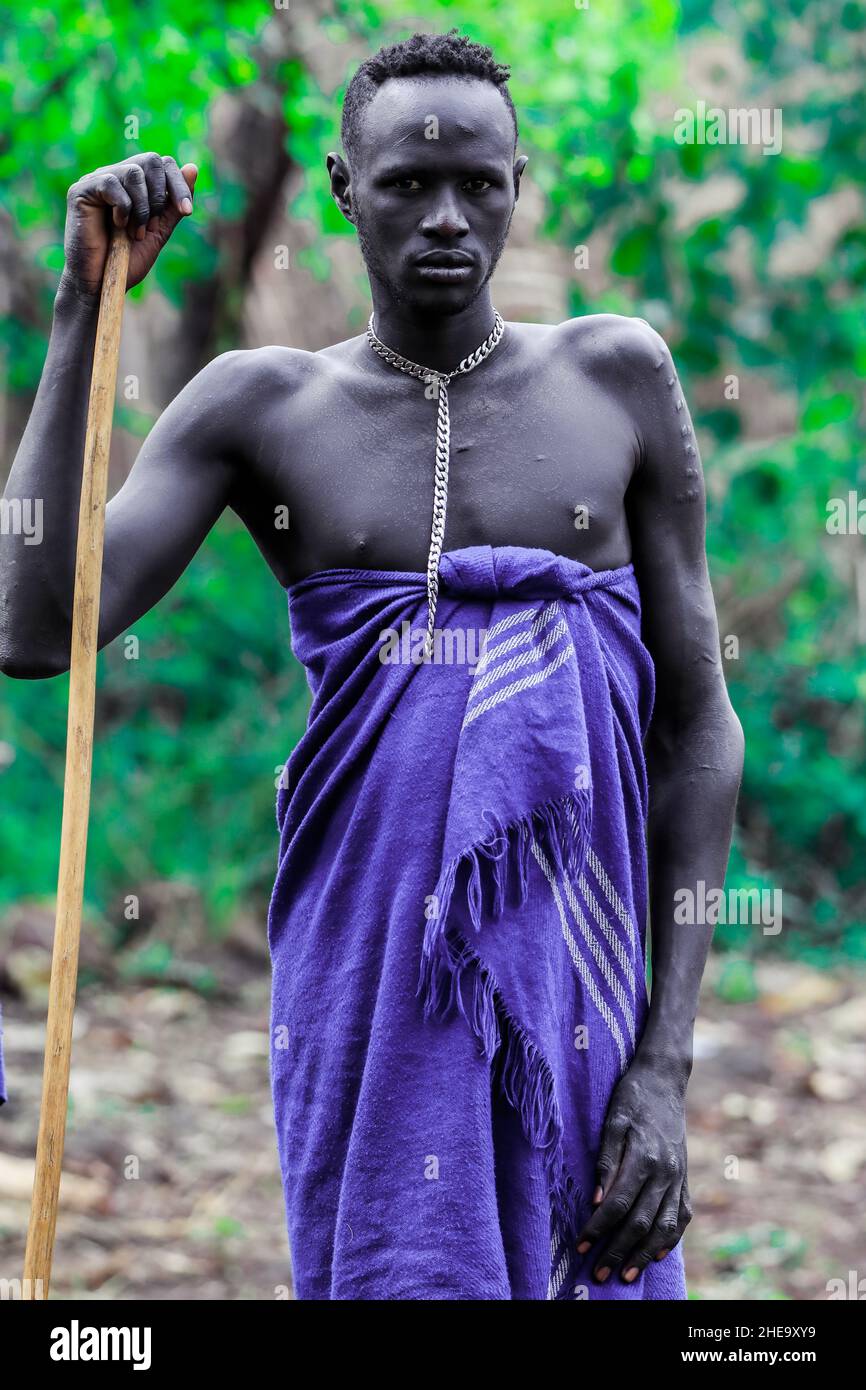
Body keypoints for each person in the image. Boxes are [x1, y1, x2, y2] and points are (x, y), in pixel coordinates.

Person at [0, 30, 744, 1299]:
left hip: (584, 982)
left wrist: (663, 1066)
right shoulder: (260, 406)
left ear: (520, 183)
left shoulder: (617, 377)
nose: (447, 217)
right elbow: (29, 624)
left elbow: (697, 730)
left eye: (480, 186)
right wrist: (85, 306)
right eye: (406, 184)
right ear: (342, 186)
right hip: (365, 971)